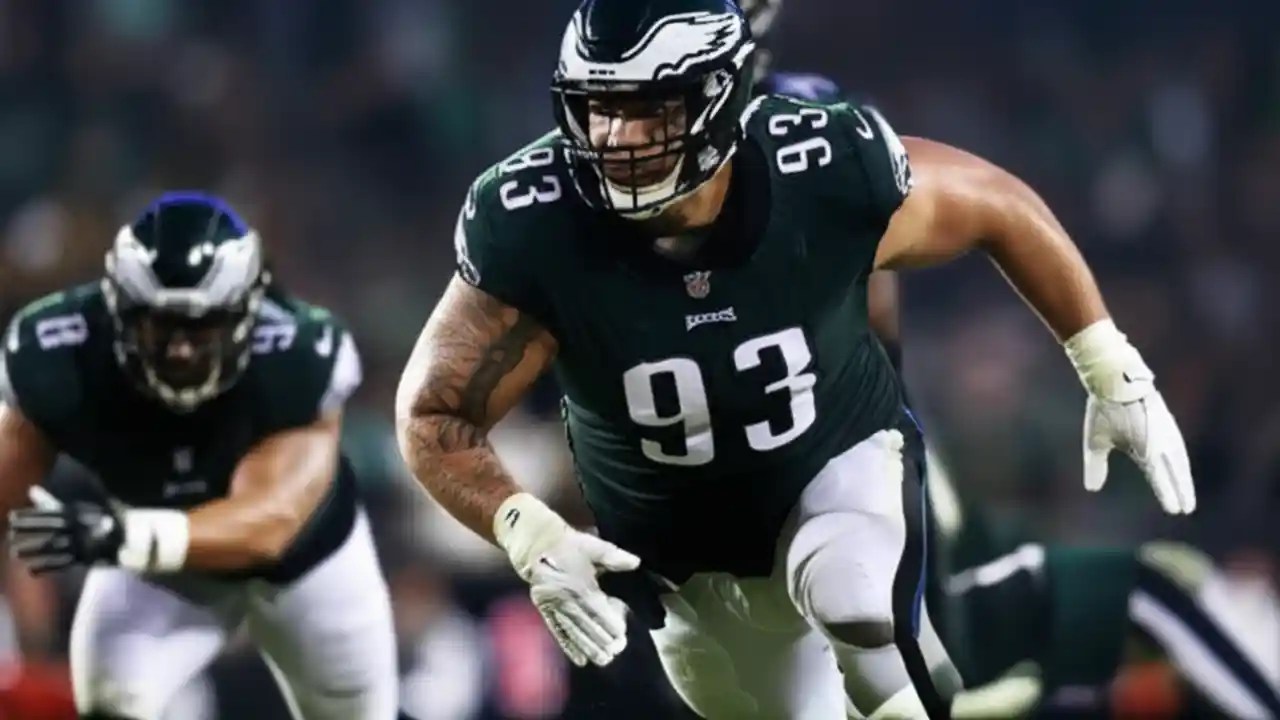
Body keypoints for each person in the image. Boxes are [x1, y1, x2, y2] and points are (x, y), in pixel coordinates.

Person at [394, 1, 1196, 717]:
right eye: (598, 108)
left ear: (717, 98)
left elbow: (997, 205)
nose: (613, 137)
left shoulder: (817, 164)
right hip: (681, 568)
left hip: (835, 464)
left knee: (858, 601)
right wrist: (528, 532)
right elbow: (433, 411)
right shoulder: (533, 220)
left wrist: (1108, 364)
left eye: (644, 110)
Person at [741, 1, 1280, 716]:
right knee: (1161, 592)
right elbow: (892, 299)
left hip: (782, 574)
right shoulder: (814, 126)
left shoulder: (583, 185)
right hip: (859, 570)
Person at [1, 193, 402, 720]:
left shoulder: (297, 353)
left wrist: (124, 536)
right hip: (156, 569)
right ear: (120, 312)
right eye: (161, 325)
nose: (181, 349)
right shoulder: (58, 354)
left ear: (244, 314)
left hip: (305, 563)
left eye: (201, 326)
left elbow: (271, 523)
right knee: (109, 708)